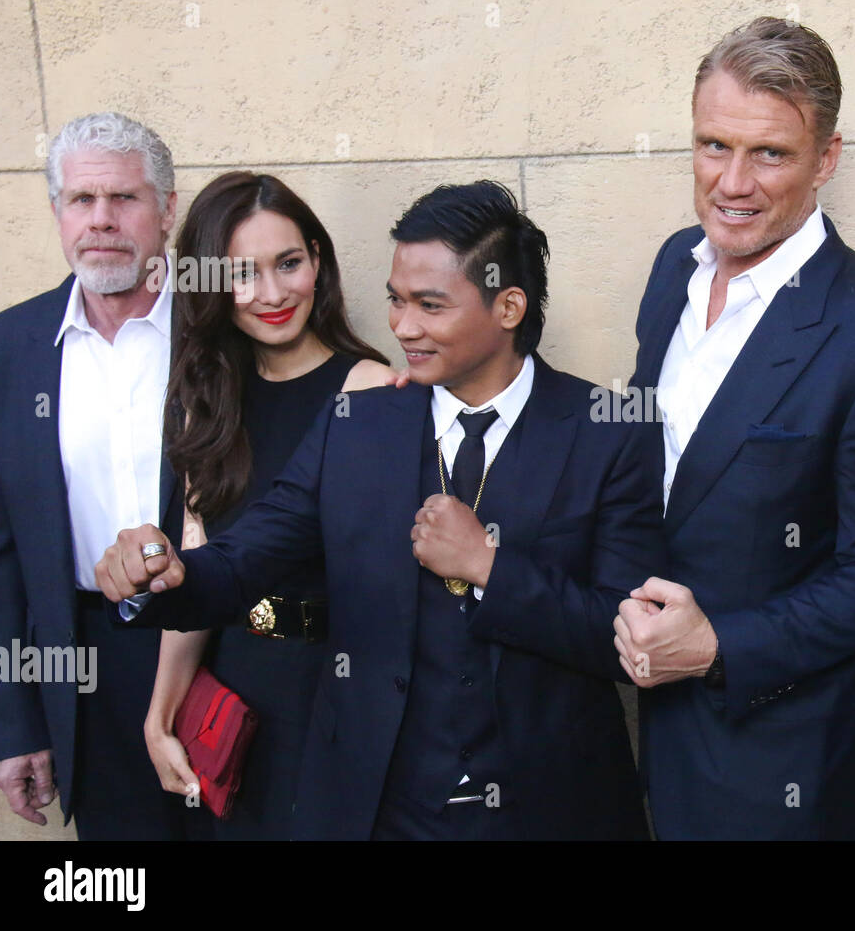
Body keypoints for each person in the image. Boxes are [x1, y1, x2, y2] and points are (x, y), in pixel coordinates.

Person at [98, 180, 663, 840]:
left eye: (430, 305)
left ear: (508, 306)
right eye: (396, 301)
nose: (402, 326)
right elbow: (246, 558)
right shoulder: (357, 424)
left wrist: (489, 567)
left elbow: (625, 643)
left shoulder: (606, 431)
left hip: (550, 808)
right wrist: (165, 577)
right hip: (381, 810)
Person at [616, 16, 855, 839]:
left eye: (770, 153)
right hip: (666, 733)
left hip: (799, 761)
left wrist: (720, 647)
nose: (733, 183)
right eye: (712, 146)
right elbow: (649, 459)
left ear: (826, 159)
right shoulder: (674, 266)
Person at [144, 171, 390, 839]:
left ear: (318, 260)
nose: (273, 294)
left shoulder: (371, 388)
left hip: (339, 690)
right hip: (235, 697)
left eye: (289, 263)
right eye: (242, 273)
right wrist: (160, 712)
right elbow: (199, 566)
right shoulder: (206, 402)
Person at [0, 112, 204, 839]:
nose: (102, 220)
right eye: (81, 201)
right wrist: (14, 721)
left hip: (223, 651)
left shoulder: (224, 328)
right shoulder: (10, 348)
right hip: (84, 668)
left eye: (124, 199)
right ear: (57, 213)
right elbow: (1, 557)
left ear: (167, 209)